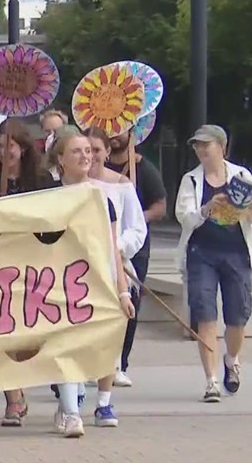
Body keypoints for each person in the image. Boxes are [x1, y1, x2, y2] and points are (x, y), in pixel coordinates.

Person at [0, 118, 57, 427]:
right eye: (0, 145)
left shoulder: (42, 179)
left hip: (34, 266)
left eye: (12, 145)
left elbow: (54, 222)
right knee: (3, 329)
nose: (6, 151)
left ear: (24, 147)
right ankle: (14, 397)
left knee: (31, 334)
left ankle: (28, 382)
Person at [47, 128, 135, 437]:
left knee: (101, 345)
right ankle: (72, 412)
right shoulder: (49, 198)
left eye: (88, 151)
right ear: (61, 159)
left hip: (99, 282)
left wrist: (122, 290)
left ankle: (100, 402)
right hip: (61, 283)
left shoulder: (103, 198)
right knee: (66, 344)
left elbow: (113, 250)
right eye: (76, 151)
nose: (85, 156)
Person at [175, 125, 252, 402]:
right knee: (205, 314)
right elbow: (184, 216)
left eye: (207, 144)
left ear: (222, 147)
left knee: (237, 316)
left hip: (236, 252)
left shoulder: (241, 176)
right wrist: (206, 209)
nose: (202, 150)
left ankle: (231, 359)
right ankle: (211, 380)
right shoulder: (191, 180)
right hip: (202, 252)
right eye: (197, 146)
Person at [82, 127, 146, 428]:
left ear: (107, 152)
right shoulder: (68, 187)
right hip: (79, 271)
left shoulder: (122, 186)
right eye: (86, 149)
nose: (91, 156)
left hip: (112, 268)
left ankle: (104, 402)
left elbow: (137, 229)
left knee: (108, 334)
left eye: (97, 150)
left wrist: (115, 247)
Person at [105, 130, 168, 387]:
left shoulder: (144, 168)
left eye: (119, 130)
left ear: (131, 133)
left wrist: (136, 217)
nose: (114, 136)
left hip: (134, 248)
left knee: (129, 302)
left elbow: (160, 207)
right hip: (103, 244)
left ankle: (121, 360)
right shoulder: (99, 169)